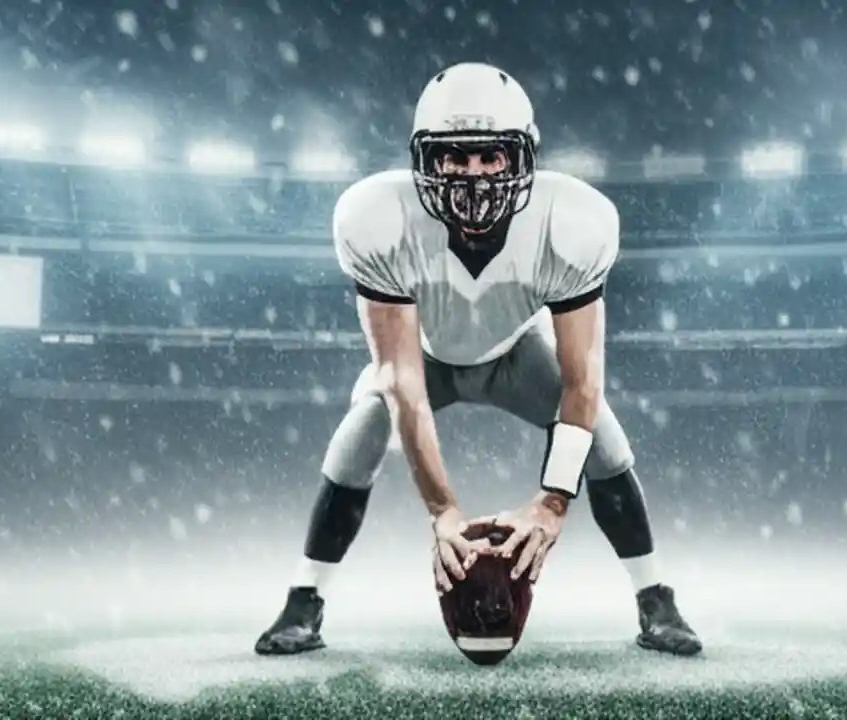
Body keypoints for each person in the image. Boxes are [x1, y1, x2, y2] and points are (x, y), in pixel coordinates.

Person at [255, 62, 701, 657]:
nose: (474, 176)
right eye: (454, 157)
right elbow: (402, 381)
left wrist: (552, 503)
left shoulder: (570, 223)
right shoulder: (380, 220)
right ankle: (304, 600)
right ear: (425, 160)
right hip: (426, 357)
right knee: (360, 431)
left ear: (522, 157)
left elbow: (582, 384)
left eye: (490, 156)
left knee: (602, 438)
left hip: (516, 351)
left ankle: (656, 599)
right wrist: (442, 510)